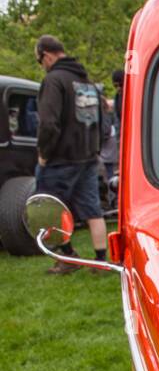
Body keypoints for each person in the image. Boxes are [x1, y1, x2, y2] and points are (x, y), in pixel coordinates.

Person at [33, 34, 108, 275]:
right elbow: (103, 123)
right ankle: (101, 260)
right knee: (92, 210)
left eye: (39, 61)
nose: (42, 66)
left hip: (60, 159)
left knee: (50, 208)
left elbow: (48, 123)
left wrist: (44, 153)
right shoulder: (87, 82)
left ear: (46, 55)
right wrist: (95, 148)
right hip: (88, 157)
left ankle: (68, 258)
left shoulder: (54, 81)